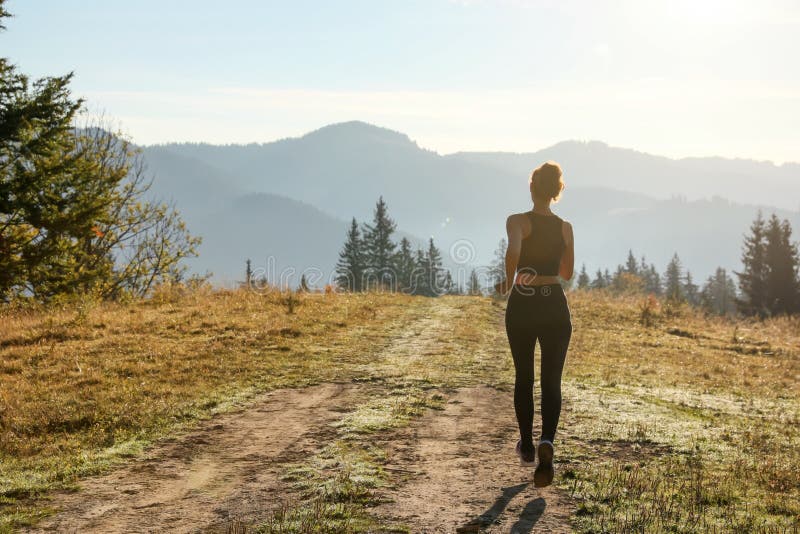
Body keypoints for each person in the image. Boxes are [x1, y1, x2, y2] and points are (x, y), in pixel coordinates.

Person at [494, 161, 574, 488]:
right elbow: (566, 273)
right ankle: (548, 442)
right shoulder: (565, 227)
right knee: (551, 379)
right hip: (554, 303)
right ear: (556, 193)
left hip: (524, 302)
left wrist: (509, 279)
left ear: (531, 188)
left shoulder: (517, 221)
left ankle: (527, 445)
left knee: (524, 376)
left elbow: (514, 250)